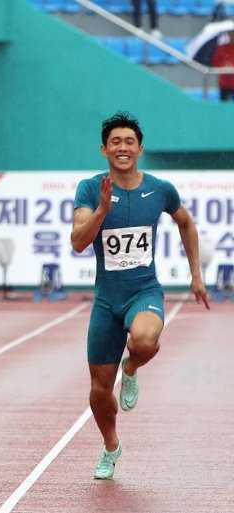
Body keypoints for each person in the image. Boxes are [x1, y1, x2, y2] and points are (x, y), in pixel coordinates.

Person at [71, 112, 209, 480]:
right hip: (106, 299)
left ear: (140, 148)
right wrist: (101, 209)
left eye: (129, 142)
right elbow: (78, 242)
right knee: (100, 390)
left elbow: (185, 222)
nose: (122, 148)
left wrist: (196, 274)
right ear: (104, 150)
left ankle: (131, 368)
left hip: (144, 290)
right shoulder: (90, 188)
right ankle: (111, 446)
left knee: (145, 341)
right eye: (115, 142)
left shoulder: (160, 189)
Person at [212, 30, 234, 102]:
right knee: (223, 105)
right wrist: (224, 66)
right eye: (231, 33)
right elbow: (215, 63)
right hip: (224, 83)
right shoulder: (222, 48)